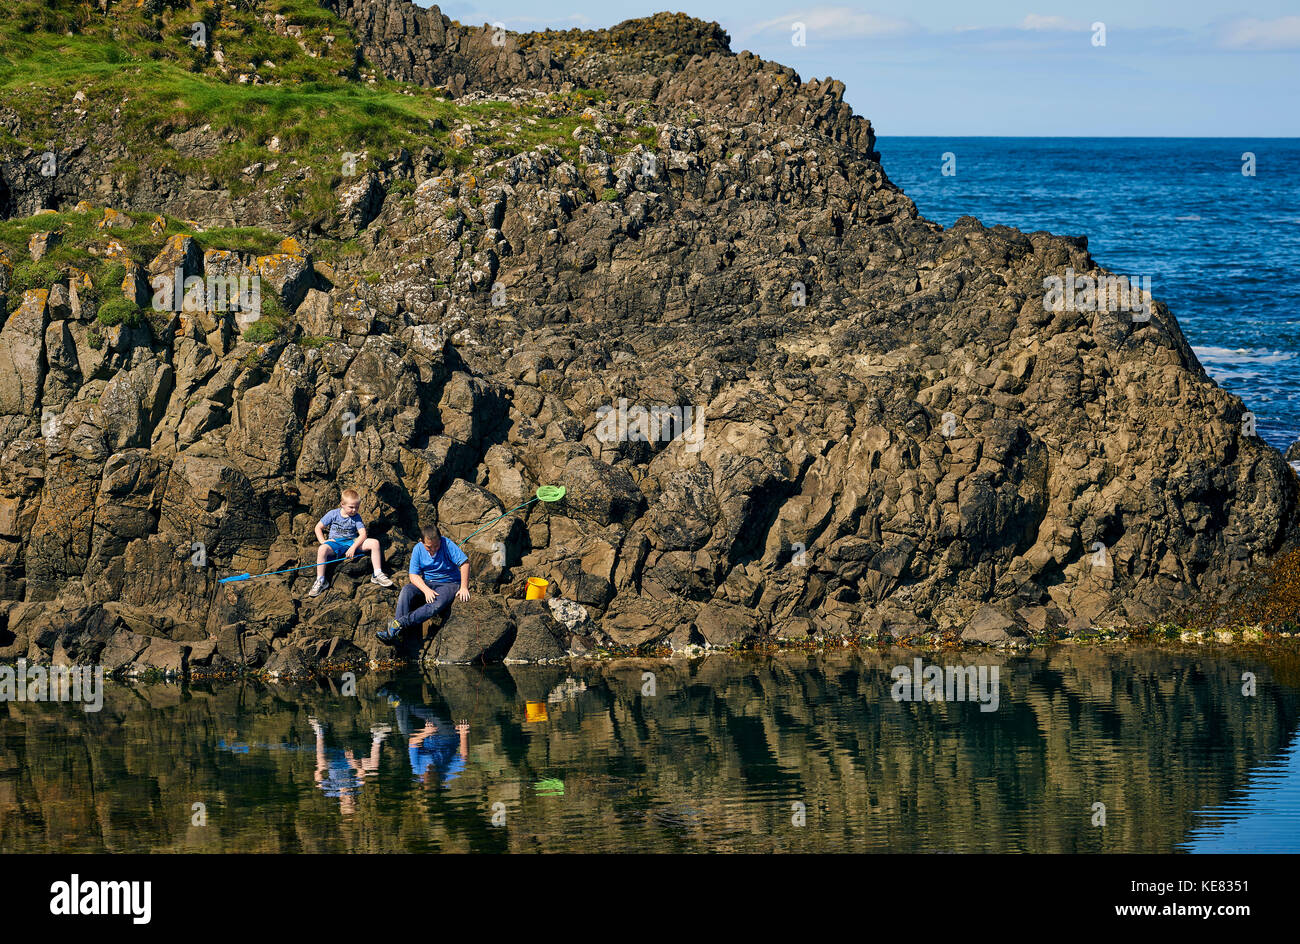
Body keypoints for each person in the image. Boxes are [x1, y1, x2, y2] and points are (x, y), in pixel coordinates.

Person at [378, 524, 469, 643]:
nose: (433, 549)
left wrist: (463, 587)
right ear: (421, 542)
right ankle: (398, 633)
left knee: (436, 605)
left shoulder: (447, 544)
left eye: (436, 546)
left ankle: (399, 623)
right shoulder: (418, 548)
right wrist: (426, 590)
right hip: (428, 582)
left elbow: (464, 563)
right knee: (407, 590)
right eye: (429, 547)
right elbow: (413, 575)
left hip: (449, 583)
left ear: (440, 539)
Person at [310, 488, 393, 597]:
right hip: (336, 543)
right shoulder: (333, 514)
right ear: (342, 504)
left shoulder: (356, 517)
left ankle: (377, 574)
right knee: (322, 549)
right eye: (351, 507)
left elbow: (363, 534)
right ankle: (321, 580)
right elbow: (318, 527)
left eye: (357, 507)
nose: (354, 510)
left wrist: (353, 547)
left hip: (351, 542)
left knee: (375, 543)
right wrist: (323, 541)